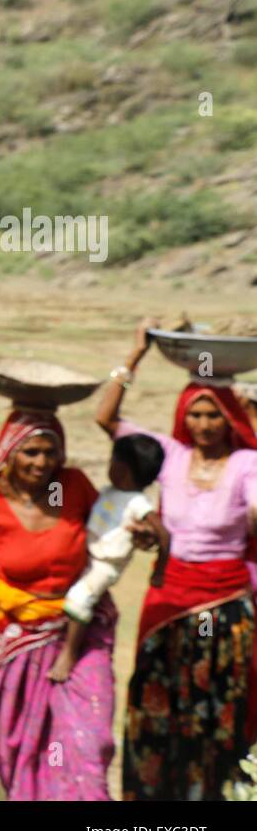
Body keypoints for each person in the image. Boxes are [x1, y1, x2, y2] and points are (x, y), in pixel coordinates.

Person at [96, 319, 257, 800]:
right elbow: (107, 420)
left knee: (216, 712)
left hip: (226, 606)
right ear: (182, 417)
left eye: (214, 416)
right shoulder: (169, 454)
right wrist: (135, 354)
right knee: (155, 701)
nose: (204, 426)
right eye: (195, 415)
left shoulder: (248, 465)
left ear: (230, 420)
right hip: (167, 600)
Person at [0, 408, 114, 800]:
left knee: (91, 740)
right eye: (30, 452)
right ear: (8, 452)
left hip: (83, 631)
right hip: (19, 637)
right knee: (22, 747)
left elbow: (112, 533)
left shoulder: (75, 485)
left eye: (50, 452)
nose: (41, 462)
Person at [48, 434, 169, 683]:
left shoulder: (137, 503)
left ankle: (69, 653)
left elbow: (162, 534)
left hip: (105, 564)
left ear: (123, 469)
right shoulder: (104, 492)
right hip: (90, 555)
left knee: (80, 599)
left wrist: (159, 567)